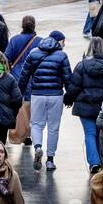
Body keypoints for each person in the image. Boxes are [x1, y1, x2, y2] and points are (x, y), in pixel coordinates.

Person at [66, 35, 103, 173]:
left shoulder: (82, 66)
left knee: (90, 134)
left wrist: (68, 99)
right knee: (102, 134)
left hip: (85, 106)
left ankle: (94, 163)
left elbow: (74, 86)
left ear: (89, 48)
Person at [22, 29, 71, 171]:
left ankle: (37, 147)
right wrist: (69, 97)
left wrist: (19, 94)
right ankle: (50, 160)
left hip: (37, 94)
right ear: (58, 41)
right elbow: (68, 78)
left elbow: (24, 76)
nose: (64, 44)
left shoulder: (33, 53)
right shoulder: (62, 55)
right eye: (63, 41)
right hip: (56, 95)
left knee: (36, 124)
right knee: (53, 127)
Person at [0, 50, 24, 145]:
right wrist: (11, 112)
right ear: (4, 63)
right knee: (0, 145)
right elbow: (18, 100)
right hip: (3, 119)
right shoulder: (10, 78)